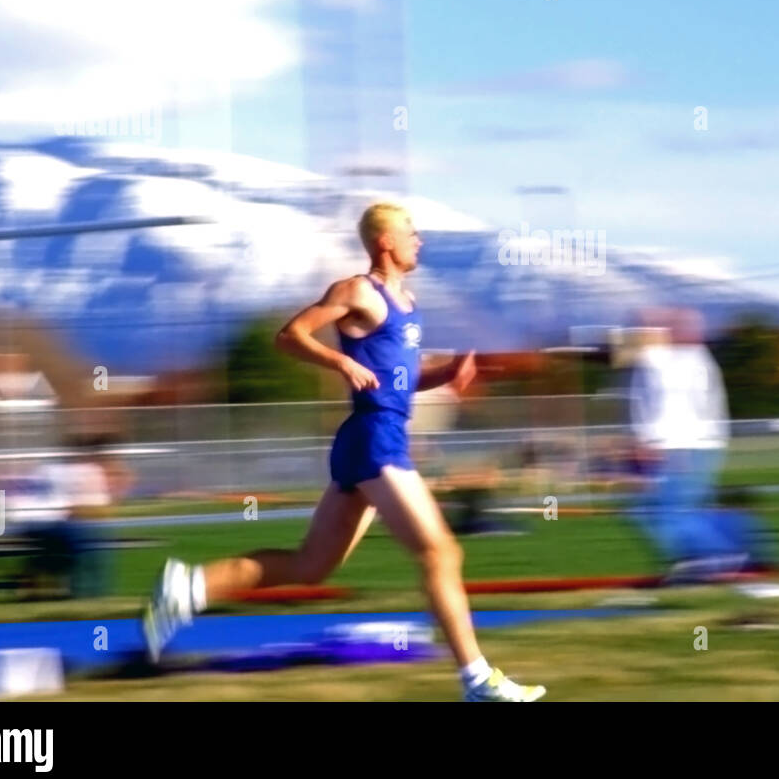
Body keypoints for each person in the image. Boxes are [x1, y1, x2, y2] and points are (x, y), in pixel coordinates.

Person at [142, 202, 545, 702]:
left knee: (312, 566)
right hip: (375, 438)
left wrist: (448, 375)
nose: (419, 240)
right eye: (410, 233)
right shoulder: (358, 291)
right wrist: (341, 363)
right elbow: (290, 335)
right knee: (440, 550)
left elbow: (398, 380)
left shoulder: (409, 304)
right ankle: (477, 680)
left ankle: (190, 586)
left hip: (376, 434)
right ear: (385, 243)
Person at [627, 309, 777, 582]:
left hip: (680, 445)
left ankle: (717, 556)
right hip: (688, 444)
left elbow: (655, 406)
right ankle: (715, 555)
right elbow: (648, 403)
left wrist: (651, 443)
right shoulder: (676, 359)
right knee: (668, 510)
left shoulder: (673, 360)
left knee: (665, 512)